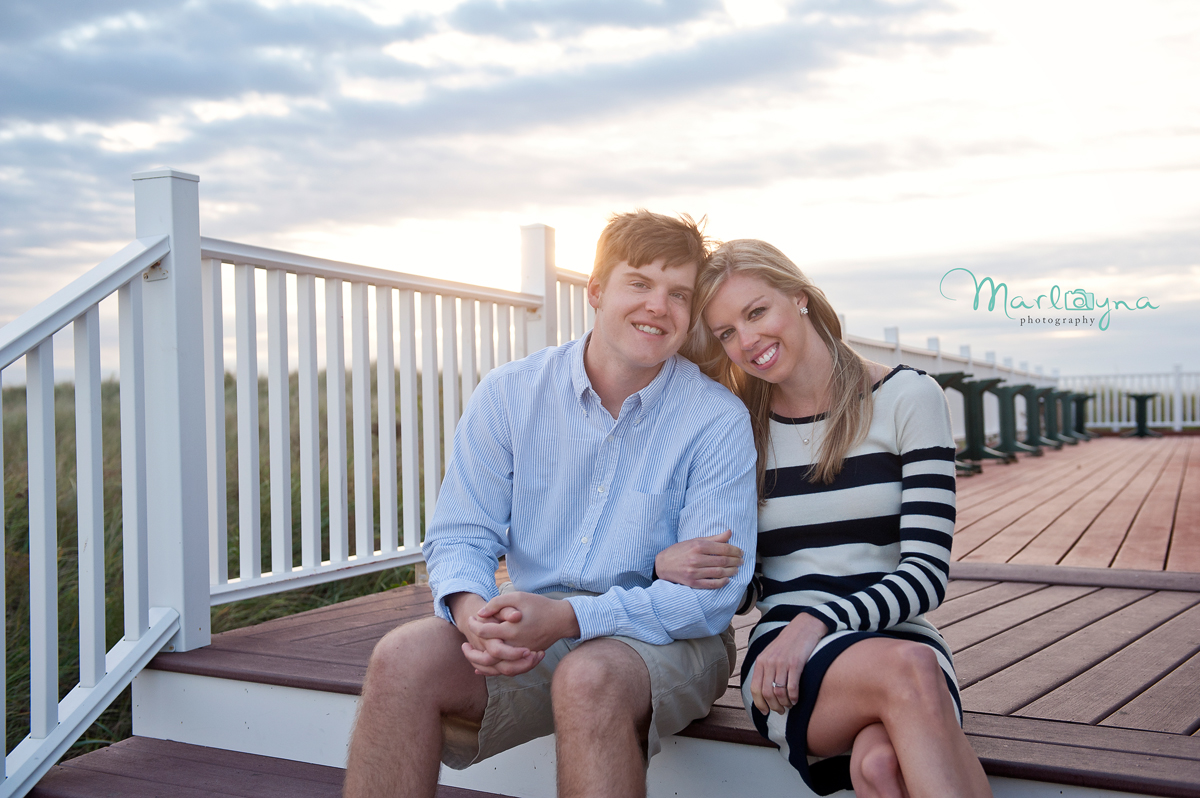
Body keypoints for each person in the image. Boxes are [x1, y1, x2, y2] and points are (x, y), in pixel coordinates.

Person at [343, 211, 758, 798]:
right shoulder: (510, 394)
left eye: (678, 294)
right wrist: (473, 616)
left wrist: (568, 619)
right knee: (403, 656)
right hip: (536, 626)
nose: (658, 307)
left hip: (669, 637)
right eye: (638, 283)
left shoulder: (714, 418)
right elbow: (462, 532)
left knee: (590, 677)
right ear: (595, 291)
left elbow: (709, 601)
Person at [656, 240, 992, 797]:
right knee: (908, 674)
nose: (748, 342)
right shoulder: (738, 426)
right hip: (788, 663)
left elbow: (928, 576)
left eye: (757, 311)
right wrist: (668, 561)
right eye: (726, 333)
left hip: (898, 638)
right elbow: (741, 584)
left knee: (881, 768)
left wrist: (818, 623)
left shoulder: (909, 397)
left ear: (800, 295)